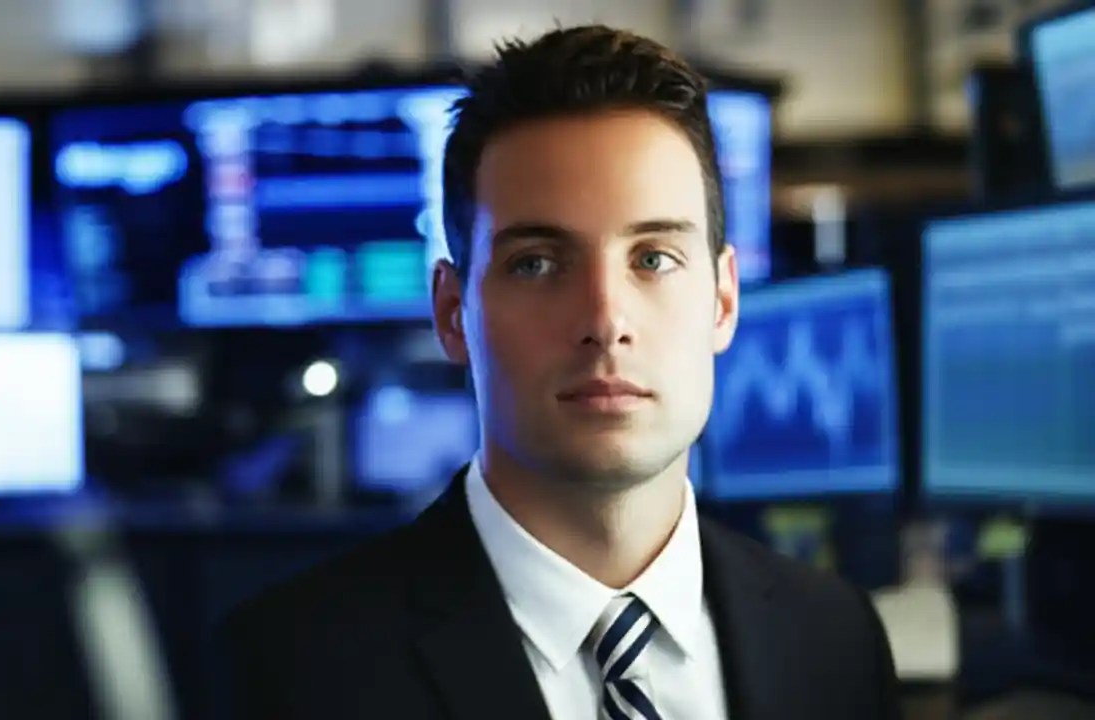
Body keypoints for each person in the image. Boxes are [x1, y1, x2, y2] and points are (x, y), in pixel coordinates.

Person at [222, 24, 900, 720]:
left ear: (723, 302)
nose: (605, 320)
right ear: (454, 313)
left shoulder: (835, 639)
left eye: (653, 258)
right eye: (537, 264)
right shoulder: (300, 670)